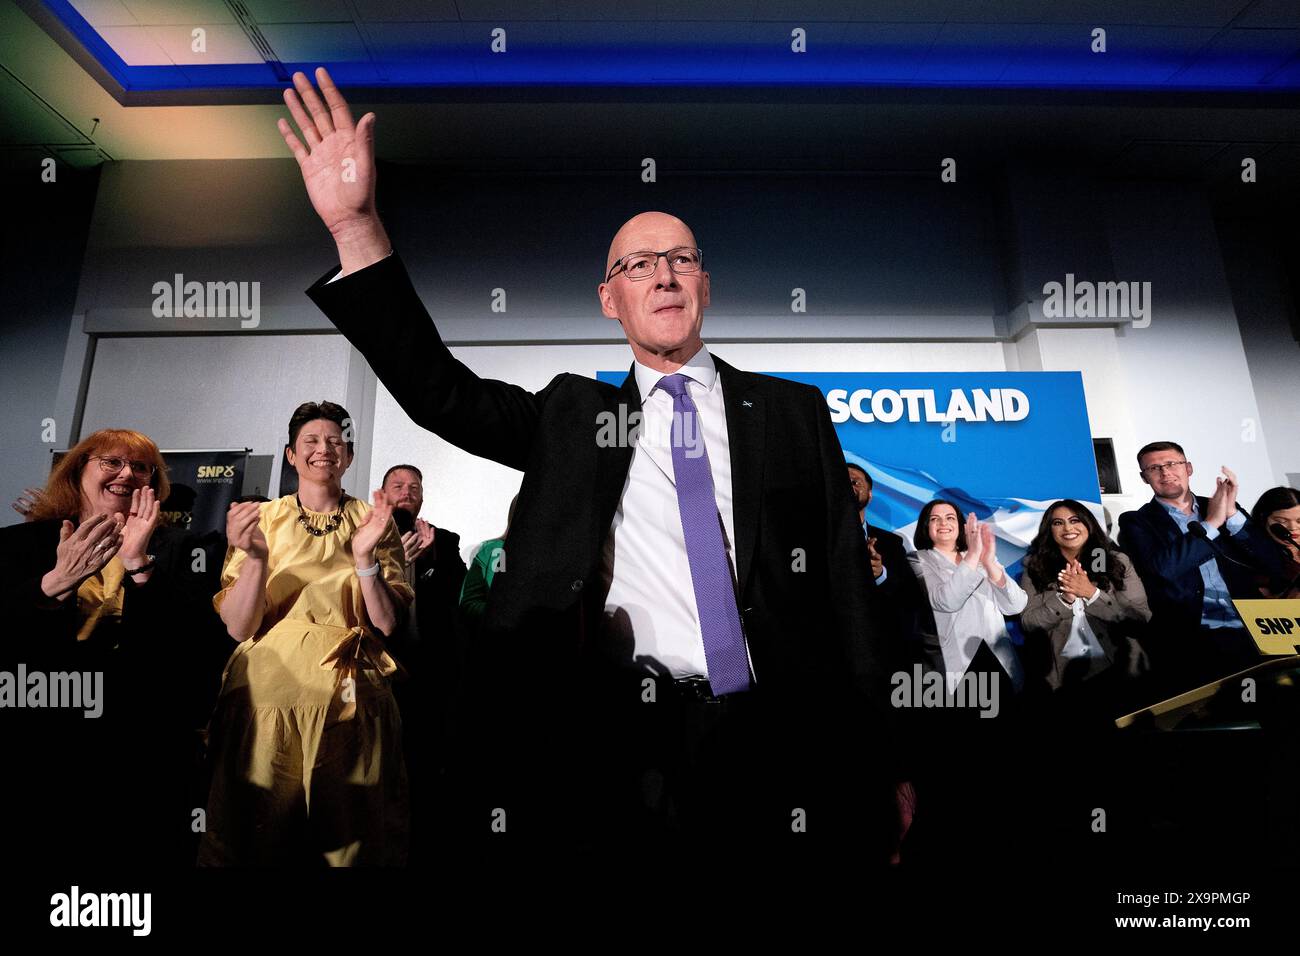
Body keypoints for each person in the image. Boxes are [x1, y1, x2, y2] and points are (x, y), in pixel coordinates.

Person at [278, 67, 899, 856]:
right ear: (611, 299)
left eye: (679, 259)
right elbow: (440, 392)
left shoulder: (791, 412)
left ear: (704, 283)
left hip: (770, 741)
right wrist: (357, 230)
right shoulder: (576, 415)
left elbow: (847, 592)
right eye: (638, 265)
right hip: (607, 741)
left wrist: (884, 763)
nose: (663, 274)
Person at [199, 401, 414, 866]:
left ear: (349, 456)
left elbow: (389, 623)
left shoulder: (375, 523)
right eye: (311, 442)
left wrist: (364, 560)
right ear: (291, 455)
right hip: (266, 698)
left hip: (352, 699)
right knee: (253, 838)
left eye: (336, 441)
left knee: (352, 843)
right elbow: (239, 626)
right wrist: (255, 557)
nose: (324, 449)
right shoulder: (262, 520)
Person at [0, 428, 221, 867]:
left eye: (141, 468)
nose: (127, 474)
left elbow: (196, 648)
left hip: (140, 751)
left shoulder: (185, 549)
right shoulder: (16, 545)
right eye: (112, 462)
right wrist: (53, 583)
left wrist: (140, 565)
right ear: (78, 469)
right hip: (40, 744)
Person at [1117, 441, 1282, 688]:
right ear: (1144, 478)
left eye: (1172, 464)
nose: (1166, 472)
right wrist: (1212, 523)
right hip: (1192, 636)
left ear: (1189, 468)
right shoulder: (1137, 522)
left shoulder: (1223, 506)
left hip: (1251, 628)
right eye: (1154, 468)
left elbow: (1272, 562)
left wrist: (1232, 515)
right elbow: (1163, 569)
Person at [1020, 500, 1151, 694]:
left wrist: (1091, 594)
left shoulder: (1116, 562)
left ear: (1088, 524)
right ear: (1049, 530)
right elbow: (1029, 624)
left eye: (1075, 520)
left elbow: (1139, 620)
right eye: (1058, 523)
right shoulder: (1035, 567)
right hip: (1066, 678)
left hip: (1121, 669)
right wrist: (1065, 599)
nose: (1068, 528)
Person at [908, 500, 1028, 694]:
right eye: (934, 519)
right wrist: (973, 556)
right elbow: (946, 601)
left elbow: (1015, 606)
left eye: (950, 518)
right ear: (925, 526)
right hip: (955, 669)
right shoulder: (917, 559)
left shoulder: (983, 556)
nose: (943, 523)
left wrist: (989, 563)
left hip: (1000, 660)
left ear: (960, 525)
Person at [848, 462, 929, 673]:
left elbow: (910, 597)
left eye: (855, 481)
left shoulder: (891, 543)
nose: (847, 485)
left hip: (882, 656)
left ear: (870, 494)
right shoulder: (810, 540)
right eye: (840, 481)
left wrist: (880, 575)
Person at [1252, 486, 1300, 599]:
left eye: (1299, 521)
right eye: (1281, 521)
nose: (1292, 527)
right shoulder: (1255, 557)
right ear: (1263, 519)